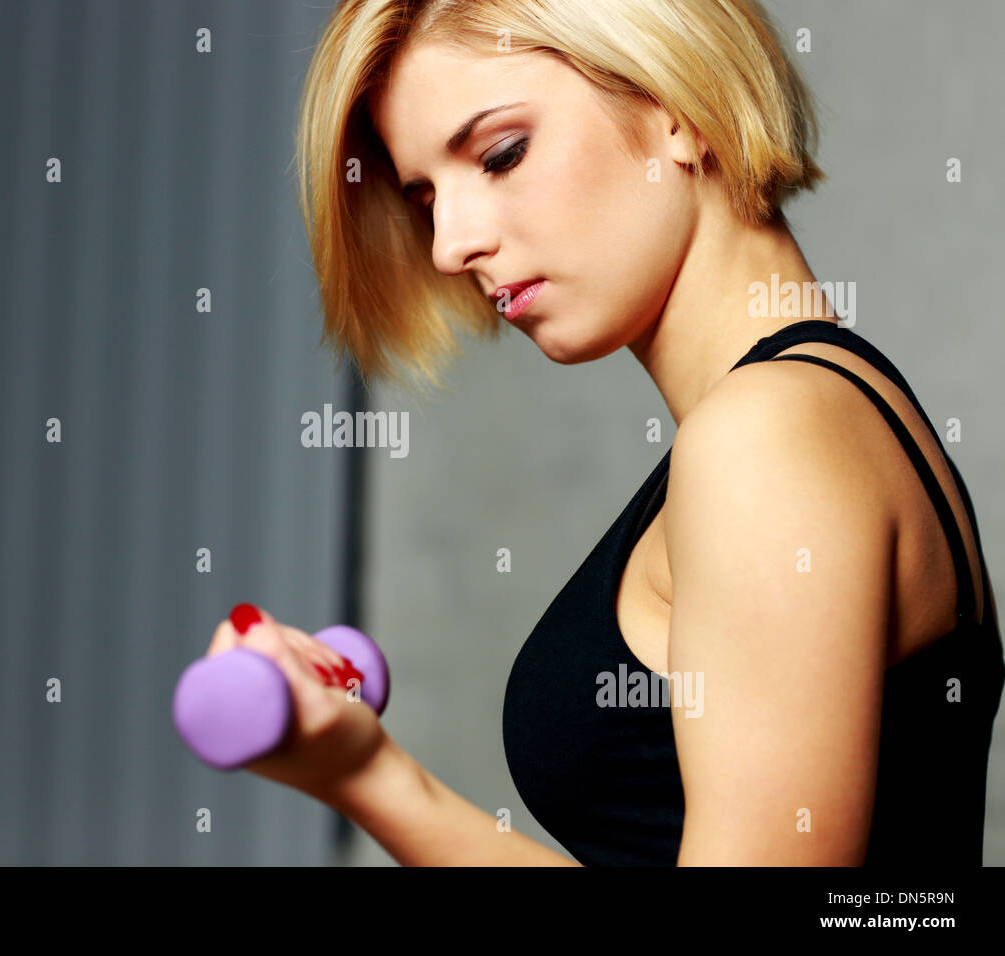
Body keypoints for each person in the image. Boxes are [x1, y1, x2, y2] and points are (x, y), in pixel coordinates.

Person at [201, 0, 1005, 865]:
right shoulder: (825, 405)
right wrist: (365, 772)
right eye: (424, 195)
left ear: (677, 109)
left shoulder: (763, 441)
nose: (449, 245)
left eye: (501, 154)